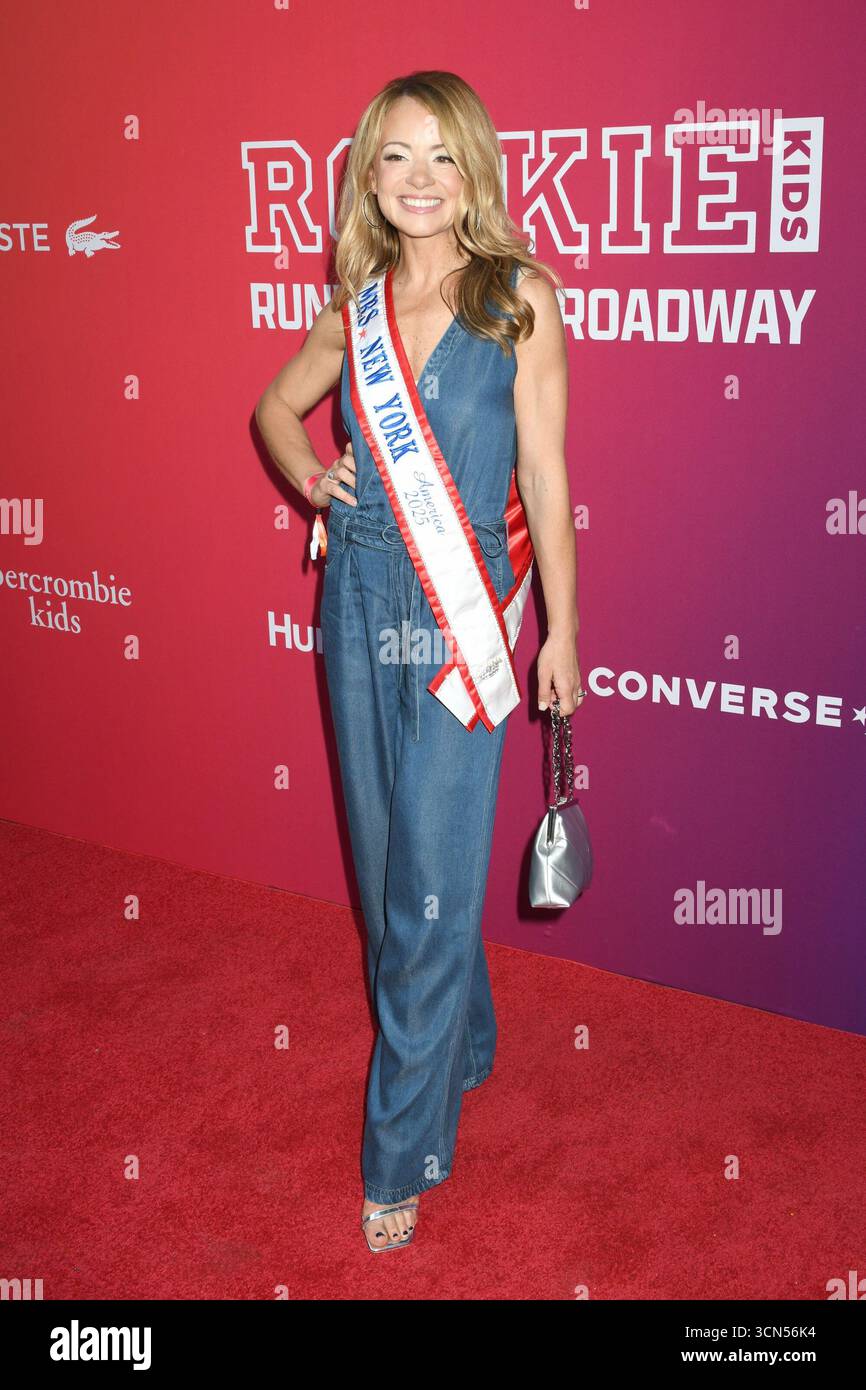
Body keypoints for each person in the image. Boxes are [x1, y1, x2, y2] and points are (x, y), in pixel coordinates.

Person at [255, 70, 584, 1254]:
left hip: (461, 618)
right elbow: (274, 409)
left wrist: (564, 631)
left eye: (440, 156)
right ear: (366, 176)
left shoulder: (521, 299)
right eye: (393, 157)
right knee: (395, 864)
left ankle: (402, 1150)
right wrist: (313, 479)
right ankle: (474, 1040)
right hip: (355, 596)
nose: (417, 180)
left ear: (475, 171)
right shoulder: (355, 309)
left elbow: (543, 479)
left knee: (422, 887)